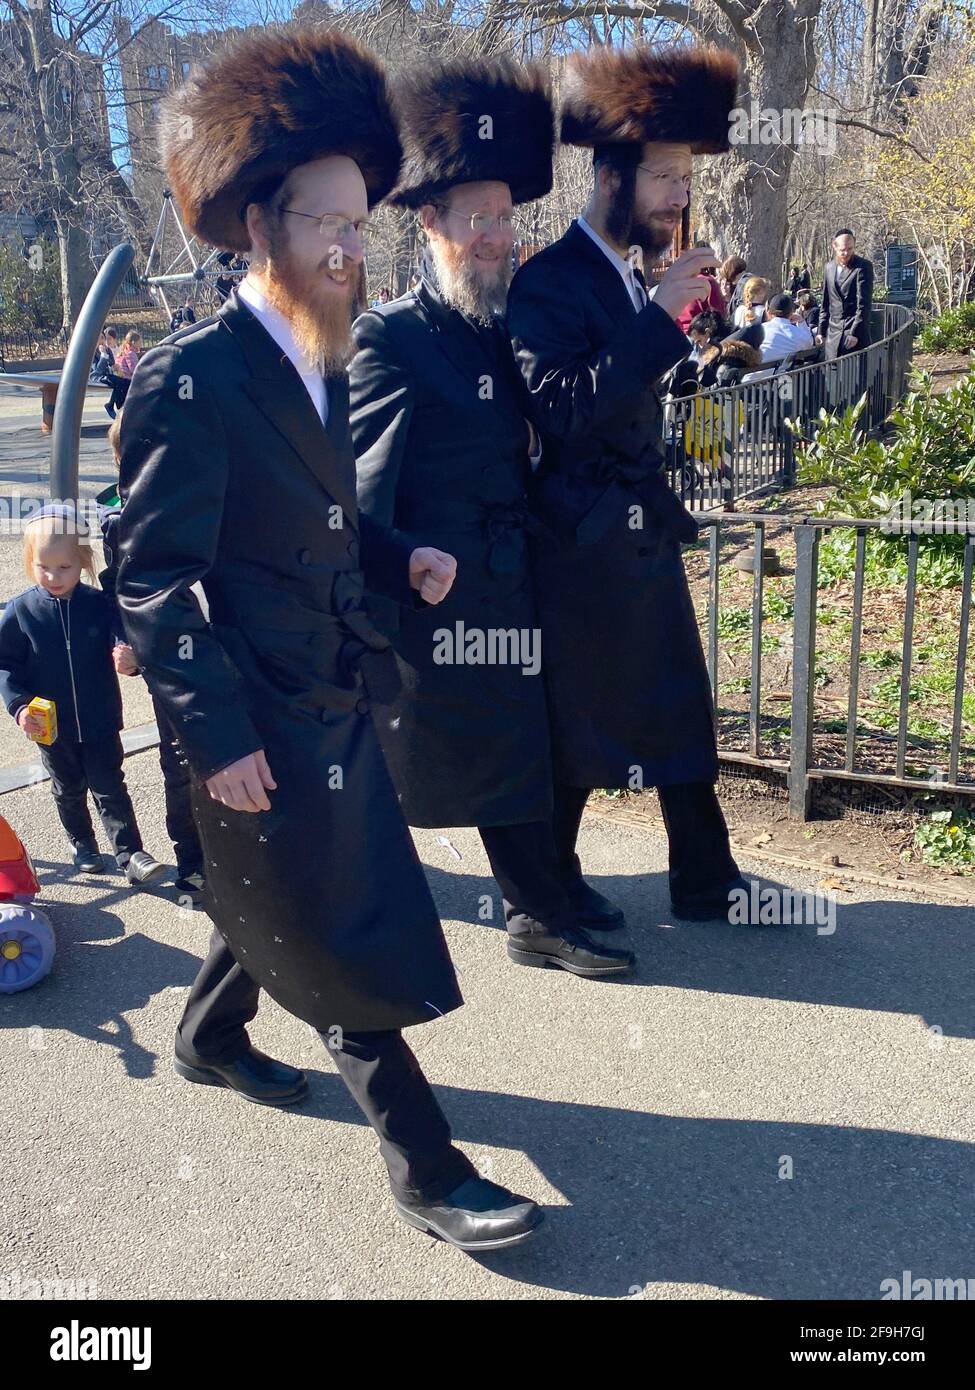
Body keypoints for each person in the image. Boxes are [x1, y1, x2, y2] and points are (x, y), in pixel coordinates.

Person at [116, 27, 542, 1250]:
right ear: (259, 223)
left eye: (365, 225)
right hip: (256, 717)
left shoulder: (323, 352)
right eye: (327, 225)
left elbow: (321, 515)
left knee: (275, 907)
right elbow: (155, 580)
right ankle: (429, 1165)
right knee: (335, 922)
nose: (353, 249)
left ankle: (206, 1035)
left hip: (337, 688)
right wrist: (216, 735)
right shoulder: (193, 379)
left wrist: (393, 548)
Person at [349, 57, 633, 980]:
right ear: (428, 223)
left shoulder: (500, 325)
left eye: (506, 218)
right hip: (450, 593)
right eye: (478, 218)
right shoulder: (388, 338)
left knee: (539, 742)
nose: (497, 237)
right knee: (485, 757)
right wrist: (394, 588)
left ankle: (549, 887)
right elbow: (363, 493)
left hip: (524, 576)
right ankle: (534, 914)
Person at [507, 43, 748, 924]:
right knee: (584, 724)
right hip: (579, 546)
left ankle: (703, 879)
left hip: (636, 531)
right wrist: (654, 323)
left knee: (673, 705)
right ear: (611, 177)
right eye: (664, 177)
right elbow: (564, 410)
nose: (680, 196)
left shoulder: (627, 274)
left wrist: (666, 321)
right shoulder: (547, 280)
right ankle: (544, 895)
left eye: (686, 178)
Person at [0, 506, 164, 885]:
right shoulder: (22, 611)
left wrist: (130, 658)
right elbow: (6, 665)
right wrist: (20, 706)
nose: (54, 577)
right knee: (68, 788)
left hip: (100, 718)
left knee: (110, 786)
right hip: (50, 727)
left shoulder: (98, 605)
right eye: (44, 567)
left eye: (65, 567)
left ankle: (130, 852)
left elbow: (123, 638)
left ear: (82, 563)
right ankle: (83, 843)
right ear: (30, 563)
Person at [98, 413, 205, 900]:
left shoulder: (203, 493)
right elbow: (119, 591)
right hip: (167, 658)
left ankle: (245, 856)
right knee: (180, 762)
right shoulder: (123, 520)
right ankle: (193, 863)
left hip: (224, 644)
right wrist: (131, 647)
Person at [817, 228, 874, 360]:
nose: (846, 253)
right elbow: (826, 303)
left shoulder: (863, 267)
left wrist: (855, 333)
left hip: (854, 334)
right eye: (843, 249)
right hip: (833, 333)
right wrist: (821, 330)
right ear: (834, 246)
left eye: (850, 248)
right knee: (832, 376)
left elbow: (864, 304)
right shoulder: (829, 268)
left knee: (854, 377)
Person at [759, 292, 815, 363]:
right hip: (781, 372)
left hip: (754, 372)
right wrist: (801, 322)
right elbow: (809, 344)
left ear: (769, 313)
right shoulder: (797, 334)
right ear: (792, 312)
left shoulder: (759, 330)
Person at [108, 330, 142, 415]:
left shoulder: (124, 350)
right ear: (133, 342)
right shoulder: (131, 353)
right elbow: (134, 370)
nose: (141, 344)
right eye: (139, 342)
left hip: (120, 377)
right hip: (126, 379)